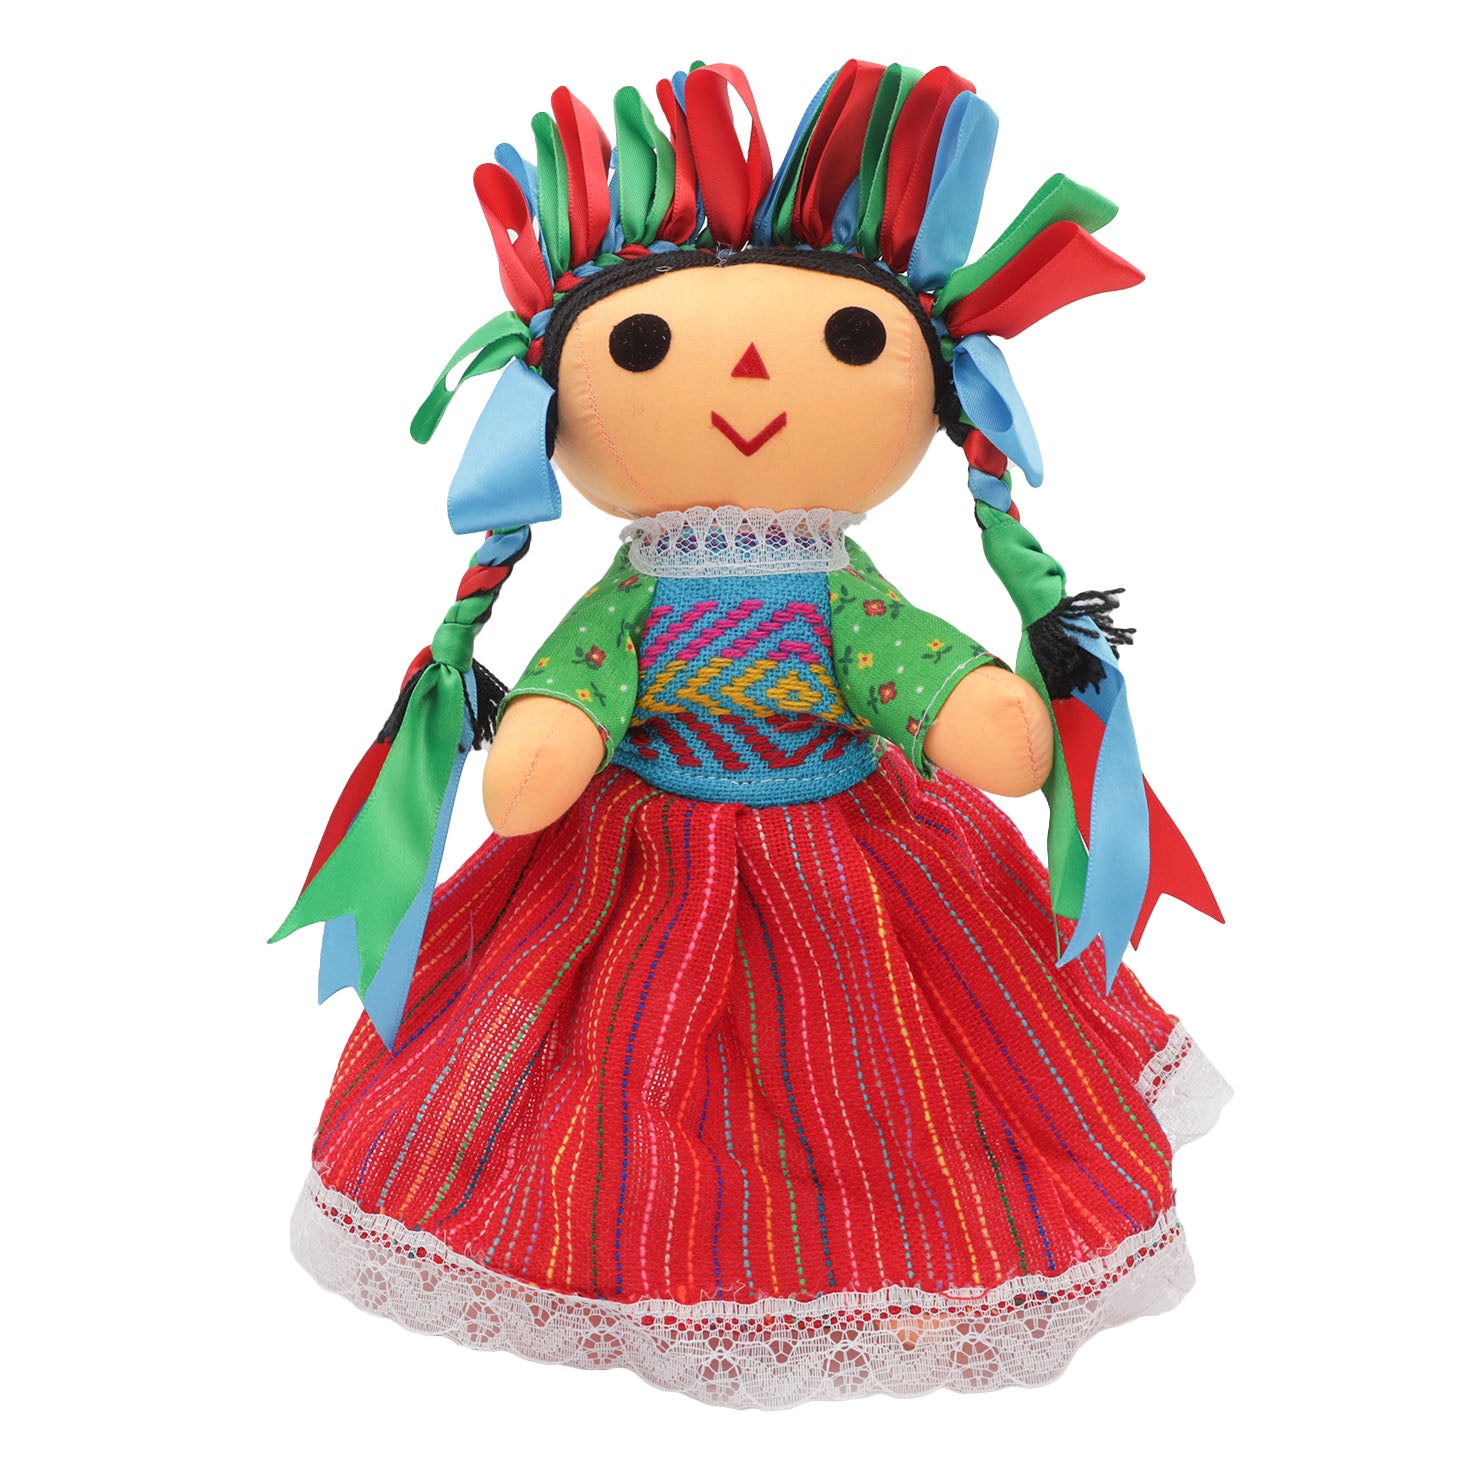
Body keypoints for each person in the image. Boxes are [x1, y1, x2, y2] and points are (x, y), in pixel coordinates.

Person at [274, 59, 1229, 1408]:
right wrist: (554, 722)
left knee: (893, 1063)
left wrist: (972, 706)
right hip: (637, 853)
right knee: (608, 1065)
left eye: (846, 344)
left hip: (859, 846)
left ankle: (894, 1251)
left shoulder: (840, 595)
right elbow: (581, 683)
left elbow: (907, 667)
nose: (748, 375)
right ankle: (624, 1242)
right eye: (644, 351)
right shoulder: (631, 599)